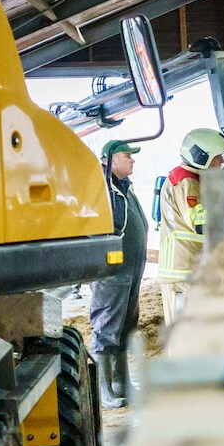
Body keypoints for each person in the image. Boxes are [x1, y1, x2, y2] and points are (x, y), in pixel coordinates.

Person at [89, 140, 147, 408]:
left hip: (131, 267)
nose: (133, 160)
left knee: (126, 325)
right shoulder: (100, 187)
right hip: (112, 269)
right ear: (111, 159)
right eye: (127, 156)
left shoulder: (124, 186)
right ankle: (104, 391)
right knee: (107, 326)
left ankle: (122, 383)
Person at [157, 128, 224, 324]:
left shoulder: (191, 179)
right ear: (201, 156)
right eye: (216, 157)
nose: (220, 162)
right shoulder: (186, 181)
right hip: (181, 270)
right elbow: (200, 223)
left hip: (188, 267)